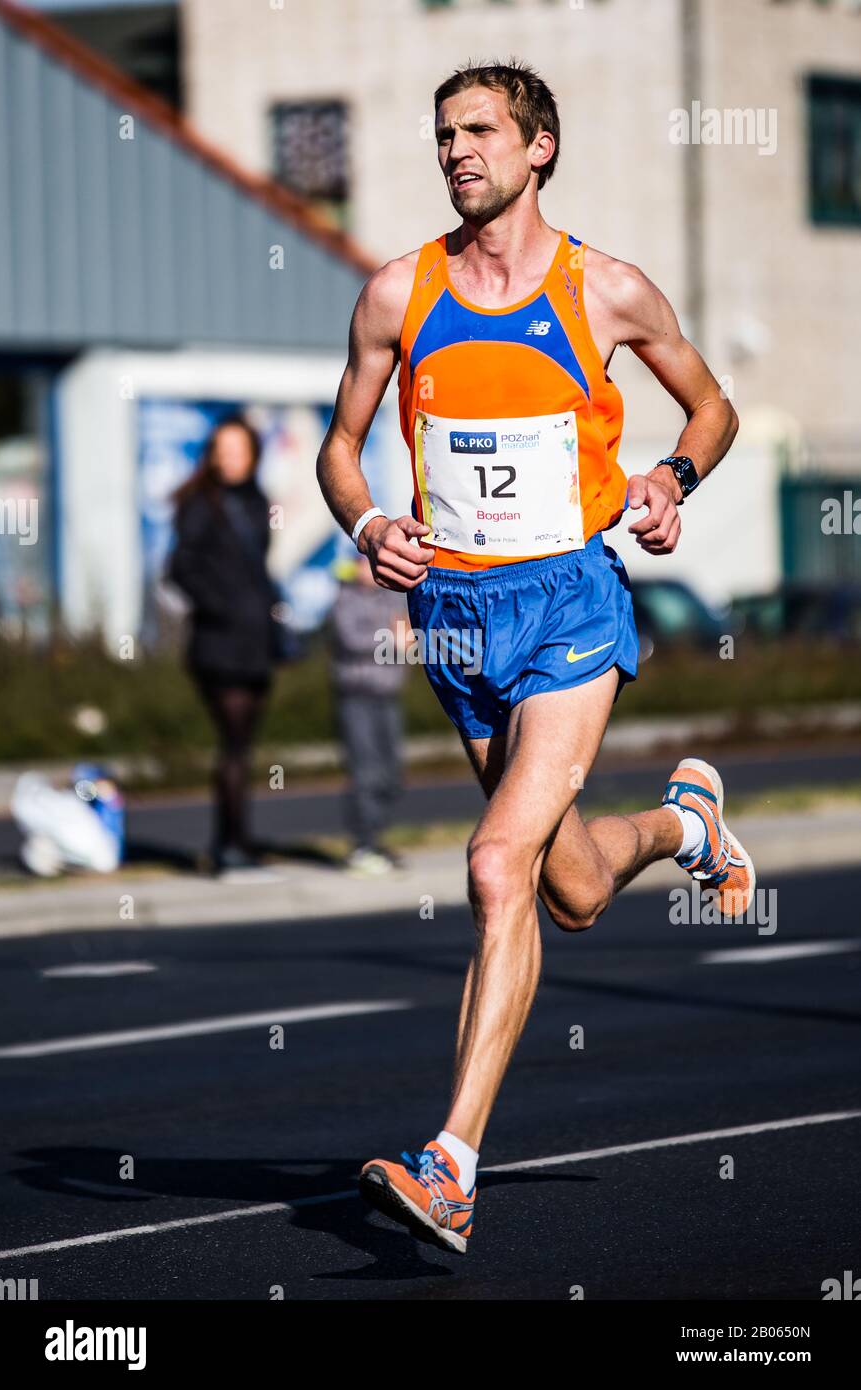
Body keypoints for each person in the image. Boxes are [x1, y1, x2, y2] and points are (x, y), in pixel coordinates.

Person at [316, 59, 754, 1254]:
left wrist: (669, 476)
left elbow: (709, 406)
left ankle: (449, 1160)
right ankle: (682, 824)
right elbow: (341, 446)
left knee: (494, 867)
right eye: (442, 133)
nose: (455, 151)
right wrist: (367, 524)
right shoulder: (394, 294)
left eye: (479, 131)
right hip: (454, 619)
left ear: (537, 146)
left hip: (569, 603)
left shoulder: (603, 289)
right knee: (564, 889)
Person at [169, 416, 277, 874]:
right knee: (233, 745)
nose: (231, 459)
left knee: (243, 745)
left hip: (255, 643)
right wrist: (224, 608)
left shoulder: (257, 501)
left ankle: (236, 840)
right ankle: (228, 845)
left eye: (240, 450)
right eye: (223, 450)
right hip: (218, 644)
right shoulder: (200, 505)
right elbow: (179, 569)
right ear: (212, 456)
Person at [329, 554, 408, 876]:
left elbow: (412, 640)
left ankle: (375, 836)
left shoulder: (394, 597)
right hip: (356, 698)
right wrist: (392, 637)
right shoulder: (344, 600)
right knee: (365, 771)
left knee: (390, 773)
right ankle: (363, 844)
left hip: (388, 696)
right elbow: (350, 639)